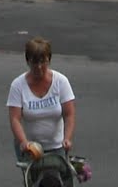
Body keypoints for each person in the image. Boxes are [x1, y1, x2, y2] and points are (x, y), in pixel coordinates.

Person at [7, 37, 77, 166]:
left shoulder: (61, 82)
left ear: (49, 60)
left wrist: (67, 138)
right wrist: (23, 142)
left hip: (56, 147)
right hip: (31, 149)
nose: (39, 67)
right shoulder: (17, 85)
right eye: (34, 62)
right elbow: (15, 119)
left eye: (42, 62)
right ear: (28, 61)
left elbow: (69, 114)